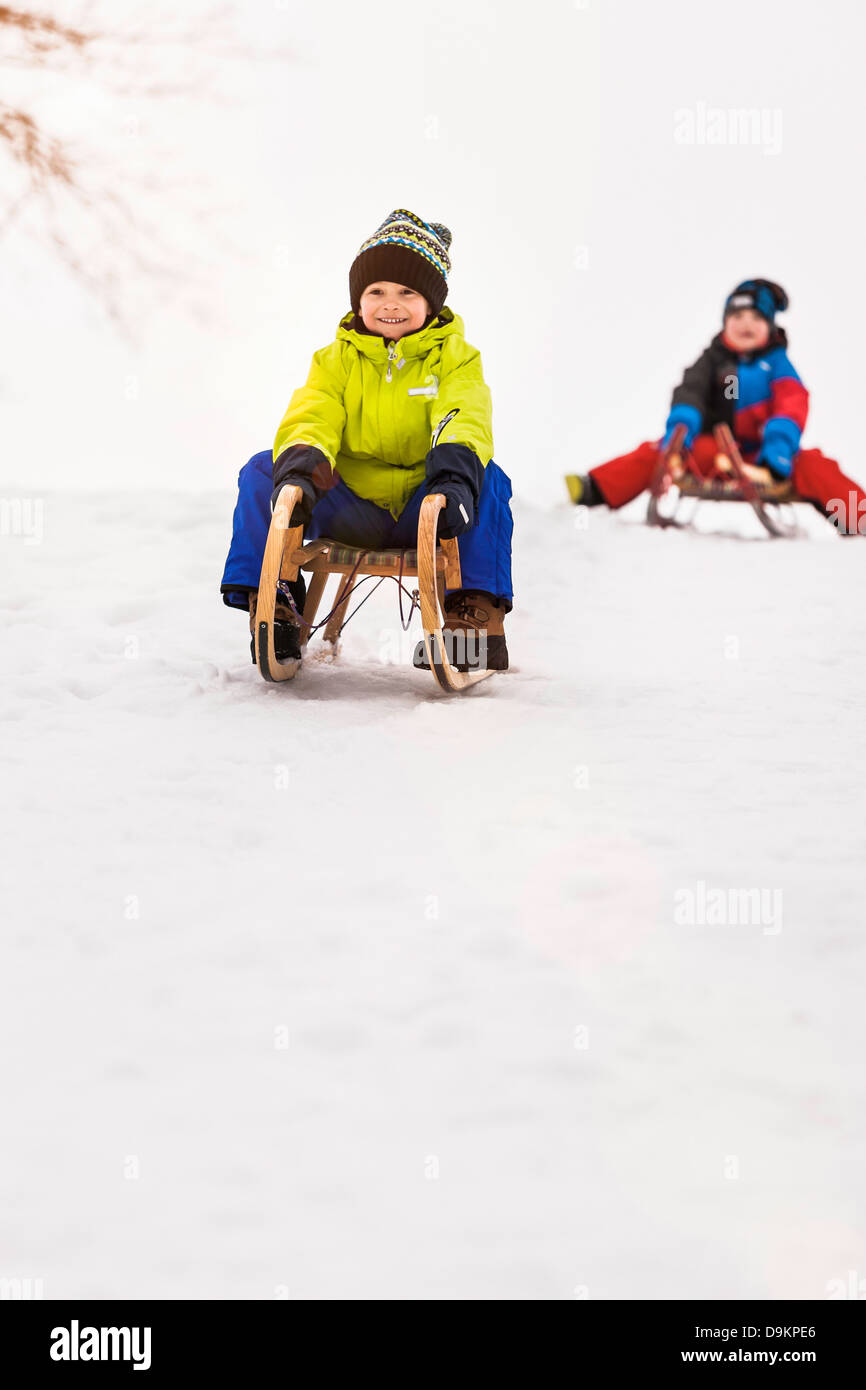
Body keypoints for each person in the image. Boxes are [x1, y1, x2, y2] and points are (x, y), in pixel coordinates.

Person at [221, 209, 514, 669]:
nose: (389, 303)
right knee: (263, 467)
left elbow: (462, 416)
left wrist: (454, 481)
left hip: (429, 504)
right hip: (350, 503)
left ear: (431, 302)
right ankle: (276, 600)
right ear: (359, 300)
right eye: (375, 291)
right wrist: (301, 472)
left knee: (489, 478)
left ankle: (471, 614)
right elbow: (312, 414)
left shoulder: (455, 358)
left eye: (406, 291)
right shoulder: (336, 360)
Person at [565, 279, 866, 534]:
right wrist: (682, 431)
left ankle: (859, 518)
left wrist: (778, 449)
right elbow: (690, 393)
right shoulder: (711, 361)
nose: (745, 324)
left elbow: (792, 403)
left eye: (756, 319)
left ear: (770, 327)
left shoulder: (777, 364)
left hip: (766, 457)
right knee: (658, 453)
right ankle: (596, 488)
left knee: (816, 467)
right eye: (737, 317)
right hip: (717, 452)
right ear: (724, 323)